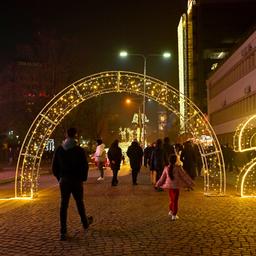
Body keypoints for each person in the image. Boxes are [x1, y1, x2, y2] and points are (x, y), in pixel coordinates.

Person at [52, 127, 93, 241]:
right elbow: (85, 166)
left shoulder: (59, 149)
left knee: (63, 205)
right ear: (75, 135)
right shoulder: (79, 150)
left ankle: (63, 231)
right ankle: (85, 223)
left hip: (64, 181)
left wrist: (59, 178)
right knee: (79, 202)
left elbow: (54, 167)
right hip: (76, 180)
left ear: (66, 134)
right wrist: (82, 178)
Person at [155, 154, 195, 220]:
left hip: (169, 186)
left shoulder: (166, 168)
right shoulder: (178, 168)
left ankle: (171, 211)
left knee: (172, 199)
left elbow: (162, 178)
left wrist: (157, 184)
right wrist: (190, 183)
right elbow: (184, 176)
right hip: (175, 187)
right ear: (176, 160)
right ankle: (174, 214)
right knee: (175, 200)